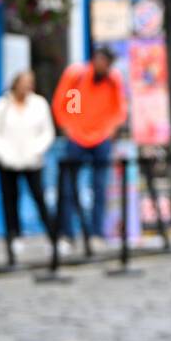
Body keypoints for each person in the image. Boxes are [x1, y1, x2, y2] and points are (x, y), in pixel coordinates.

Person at [51, 45, 128, 246]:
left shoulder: (113, 80)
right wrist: (69, 127)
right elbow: (65, 104)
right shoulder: (76, 75)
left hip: (101, 140)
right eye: (104, 61)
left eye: (110, 63)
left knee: (100, 187)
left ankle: (96, 234)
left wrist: (109, 131)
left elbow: (119, 109)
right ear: (96, 59)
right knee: (67, 188)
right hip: (76, 138)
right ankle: (67, 234)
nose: (106, 66)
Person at [0, 69, 56, 255]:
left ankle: (52, 236)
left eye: (30, 82)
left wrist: (36, 150)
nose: (27, 86)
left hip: (32, 161)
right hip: (8, 161)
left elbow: (47, 132)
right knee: (10, 199)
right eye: (24, 82)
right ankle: (13, 237)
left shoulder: (39, 104)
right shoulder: (2, 105)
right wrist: (3, 154)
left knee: (39, 197)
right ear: (15, 83)